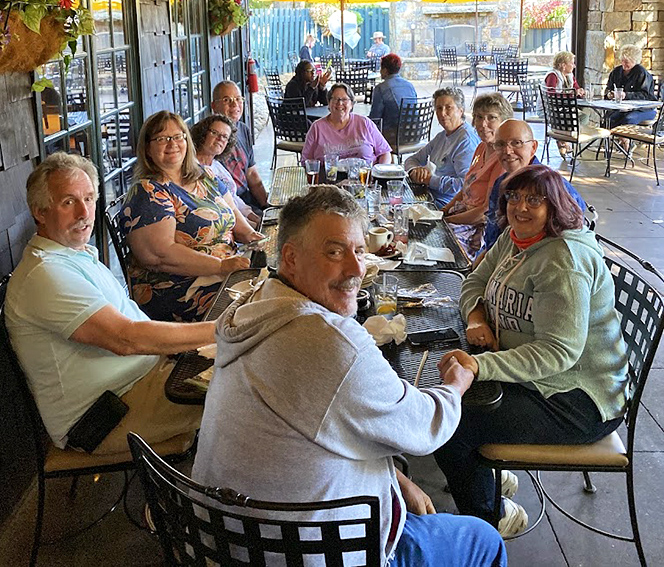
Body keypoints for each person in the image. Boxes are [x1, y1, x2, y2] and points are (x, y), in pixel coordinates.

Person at [193, 187, 507, 567]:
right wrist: (455, 384)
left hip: (227, 541)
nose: (357, 269)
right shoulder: (330, 343)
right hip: (311, 552)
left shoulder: (253, 307)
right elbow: (425, 426)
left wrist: (394, 480)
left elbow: (311, 424)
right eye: (334, 252)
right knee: (484, 540)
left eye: (359, 251)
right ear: (290, 258)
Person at [433, 165, 628, 537]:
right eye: (514, 197)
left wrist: (480, 365)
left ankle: (491, 519)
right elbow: (473, 280)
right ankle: (488, 477)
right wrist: (476, 318)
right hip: (540, 378)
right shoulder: (516, 237)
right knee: (457, 397)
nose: (520, 207)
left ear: (554, 207)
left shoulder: (563, 262)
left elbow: (558, 352)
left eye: (534, 200)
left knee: (449, 424)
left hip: (580, 399)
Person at [5, 153, 218, 455]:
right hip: (106, 415)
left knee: (241, 369)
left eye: (88, 199)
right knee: (242, 391)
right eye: (68, 202)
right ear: (40, 211)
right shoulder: (45, 274)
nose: (84, 212)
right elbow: (125, 339)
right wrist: (220, 330)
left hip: (142, 379)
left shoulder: (73, 254)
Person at [120, 111, 261, 322]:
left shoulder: (205, 176)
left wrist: (252, 236)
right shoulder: (148, 192)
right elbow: (161, 255)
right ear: (147, 148)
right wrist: (221, 266)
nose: (172, 144)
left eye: (178, 136)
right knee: (263, 306)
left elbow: (233, 212)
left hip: (225, 272)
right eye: (162, 139)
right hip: (181, 288)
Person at [481, 118, 586, 254]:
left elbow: (570, 242)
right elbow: (493, 231)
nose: (507, 151)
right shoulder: (501, 183)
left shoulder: (555, 188)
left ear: (533, 147)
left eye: (516, 143)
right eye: (500, 144)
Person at [442, 94, 514, 261]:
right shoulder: (481, 147)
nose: (483, 124)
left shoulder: (502, 158)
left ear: (504, 121)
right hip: (461, 215)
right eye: (479, 117)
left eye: (491, 118)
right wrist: (442, 211)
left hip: (475, 227)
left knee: (437, 247)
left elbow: (485, 212)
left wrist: (446, 220)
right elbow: (466, 189)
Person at [404, 88, 479, 206]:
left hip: (447, 204)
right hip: (428, 195)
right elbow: (412, 159)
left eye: (448, 107)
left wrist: (430, 180)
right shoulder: (442, 136)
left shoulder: (465, 141)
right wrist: (414, 171)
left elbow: (465, 184)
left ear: (460, 111)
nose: (442, 113)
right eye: (439, 108)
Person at [190, 114, 260, 227]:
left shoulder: (216, 165)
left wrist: (255, 217)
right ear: (202, 134)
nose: (220, 139)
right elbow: (218, 210)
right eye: (214, 133)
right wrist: (251, 226)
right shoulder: (192, 167)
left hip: (241, 220)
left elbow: (233, 197)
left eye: (225, 137)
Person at [301, 82, 392, 166]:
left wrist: (379, 172)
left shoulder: (364, 123)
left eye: (344, 99)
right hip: (329, 177)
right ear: (329, 103)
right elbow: (306, 161)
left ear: (352, 104)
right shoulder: (317, 128)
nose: (340, 103)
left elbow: (385, 153)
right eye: (335, 99)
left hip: (365, 176)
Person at [211, 80, 268, 213]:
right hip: (228, 205)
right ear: (214, 106)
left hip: (248, 199)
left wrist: (267, 206)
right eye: (227, 100)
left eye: (238, 99)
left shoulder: (243, 130)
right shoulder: (210, 137)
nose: (234, 104)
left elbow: (251, 174)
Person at [544, 51, 588, 155]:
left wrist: (580, 91)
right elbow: (551, 95)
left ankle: (562, 138)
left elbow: (576, 88)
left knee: (584, 117)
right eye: (572, 63)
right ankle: (563, 140)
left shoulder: (569, 76)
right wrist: (571, 93)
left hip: (565, 108)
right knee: (573, 118)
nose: (574, 66)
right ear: (563, 65)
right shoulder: (552, 75)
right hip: (551, 109)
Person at [369, 52, 418, 144]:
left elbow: (375, 118)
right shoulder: (409, 85)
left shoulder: (381, 88)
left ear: (385, 70)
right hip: (415, 133)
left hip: (394, 136)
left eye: (381, 68)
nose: (380, 71)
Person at [604, 44, 656, 128]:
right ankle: (610, 136)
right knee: (608, 118)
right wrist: (610, 94)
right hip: (622, 108)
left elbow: (645, 95)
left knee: (629, 119)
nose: (623, 64)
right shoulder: (616, 72)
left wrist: (625, 95)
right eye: (622, 60)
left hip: (644, 109)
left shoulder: (641, 73)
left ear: (635, 61)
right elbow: (608, 89)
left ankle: (625, 136)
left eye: (626, 62)